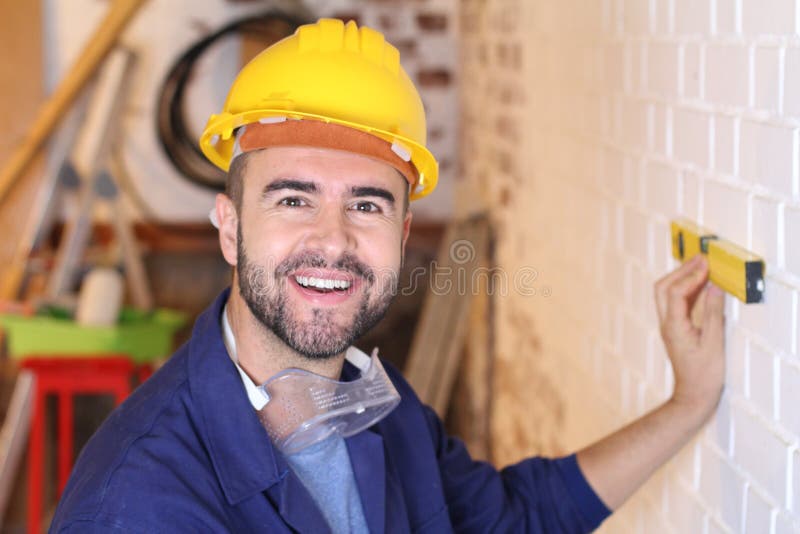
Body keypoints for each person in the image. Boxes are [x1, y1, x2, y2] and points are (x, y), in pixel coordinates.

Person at [51, 18, 725, 533]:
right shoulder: (142, 502)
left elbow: (518, 517)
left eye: (366, 205)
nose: (333, 239)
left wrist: (687, 404)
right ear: (229, 227)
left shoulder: (375, 409)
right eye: (293, 198)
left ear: (401, 236)